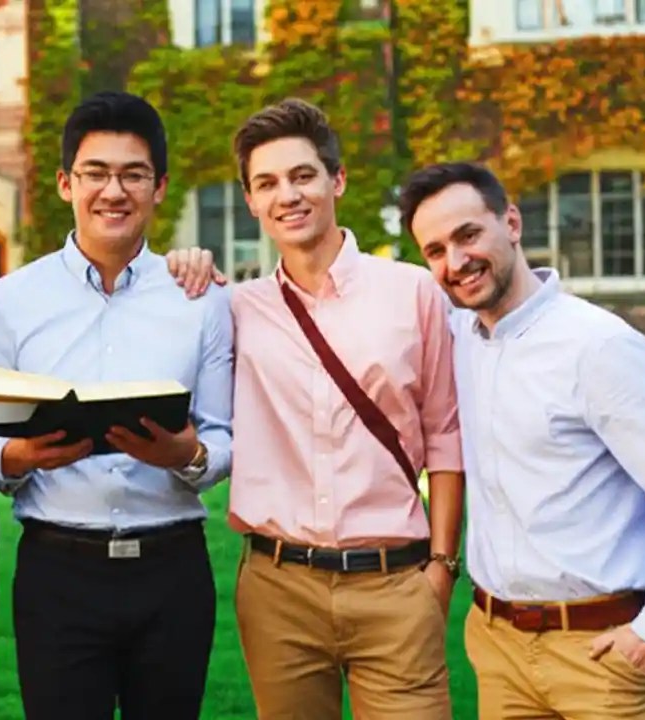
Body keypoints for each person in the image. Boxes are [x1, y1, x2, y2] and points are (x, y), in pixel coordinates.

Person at [399, 161, 645, 719]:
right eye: (435, 250)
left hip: (599, 652)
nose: (455, 262)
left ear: (511, 222)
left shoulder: (597, 347)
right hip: (496, 645)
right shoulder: (457, 339)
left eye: (468, 235)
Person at [168, 98, 464, 719]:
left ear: (337, 180)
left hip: (396, 583)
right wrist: (181, 263)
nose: (288, 196)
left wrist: (441, 566)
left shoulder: (413, 291)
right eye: (267, 183)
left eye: (303, 176)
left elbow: (445, 433)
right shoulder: (232, 307)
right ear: (250, 200)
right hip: (279, 589)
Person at [0, 90, 234, 720]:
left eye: (133, 174)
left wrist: (187, 455)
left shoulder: (200, 298)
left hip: (171, 569)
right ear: (66, 183)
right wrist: (20, 454)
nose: (113, 191)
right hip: (58, 571)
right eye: (95, 173)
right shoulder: (8, 302)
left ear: (159, 187)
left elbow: (225, 436)